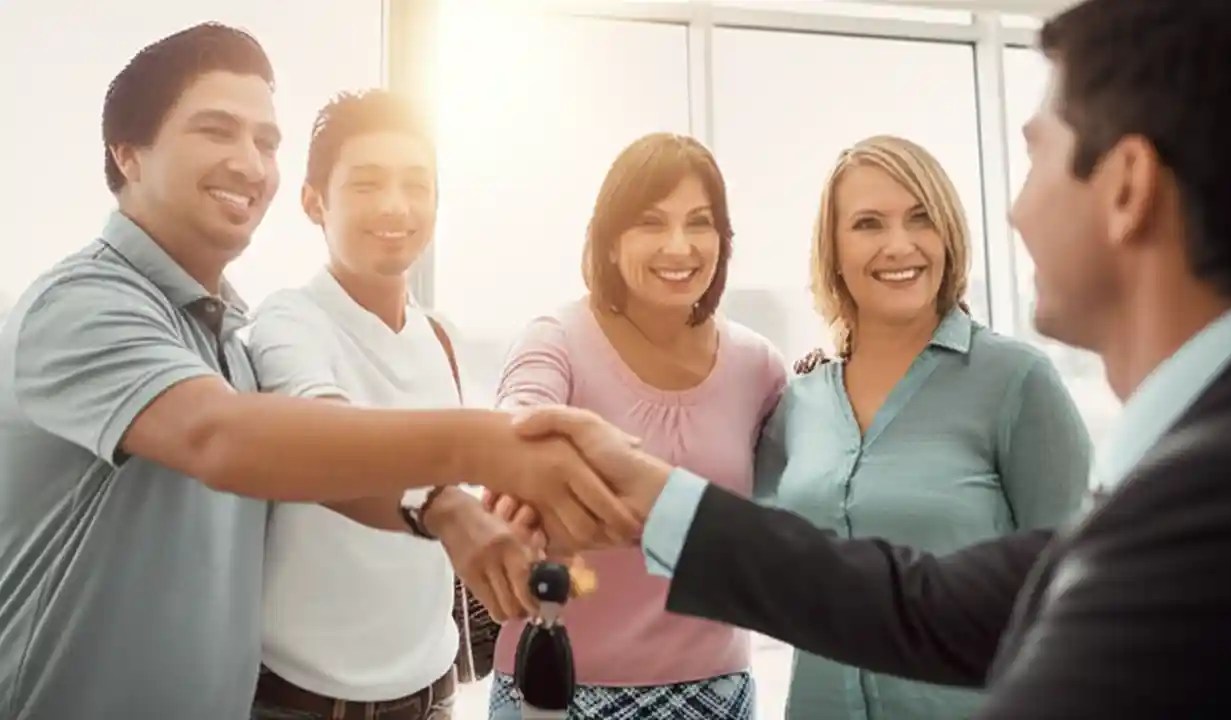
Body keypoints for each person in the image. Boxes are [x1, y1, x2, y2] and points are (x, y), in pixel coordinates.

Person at [511, 0, 1231, 717]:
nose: (1012, 210)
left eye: (1036, 154)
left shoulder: (1227, 486)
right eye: (869, 224)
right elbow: (917, 600)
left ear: (1128, 188)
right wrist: (654, 495)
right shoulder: (802, 393)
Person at [0, 24, 636, 720]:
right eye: (216, 131)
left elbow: (313, 472)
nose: (248, 162)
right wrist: (487, 446)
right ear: (128, 156)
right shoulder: (84, 304)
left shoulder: (221, 337)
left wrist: (444, 507)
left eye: (266, 141)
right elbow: (222, 440)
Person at [758, 135, 1089, 720]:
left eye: (921, 218)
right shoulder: (801, 402)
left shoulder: (1016, 381)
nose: (899, 244)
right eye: (867, 224)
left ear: (948, 235)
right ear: (832, 250)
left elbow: (1079, 590)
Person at [245, 90, 536, 720]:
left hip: (433, 697)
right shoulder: (289, 321)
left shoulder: (442, 338)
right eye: (367, 184)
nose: (396, 207)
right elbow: (322, 442)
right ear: (312, 201)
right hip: (303, 704)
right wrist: (444, 503)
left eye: (417, 184)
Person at [484, 133, 787, 720]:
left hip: (716, 692)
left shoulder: (759, 366)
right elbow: (510, 436)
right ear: (611, 240)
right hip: (558, 691)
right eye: (651, 222)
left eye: (699, 223)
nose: (679, 246)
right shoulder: (557, 339)